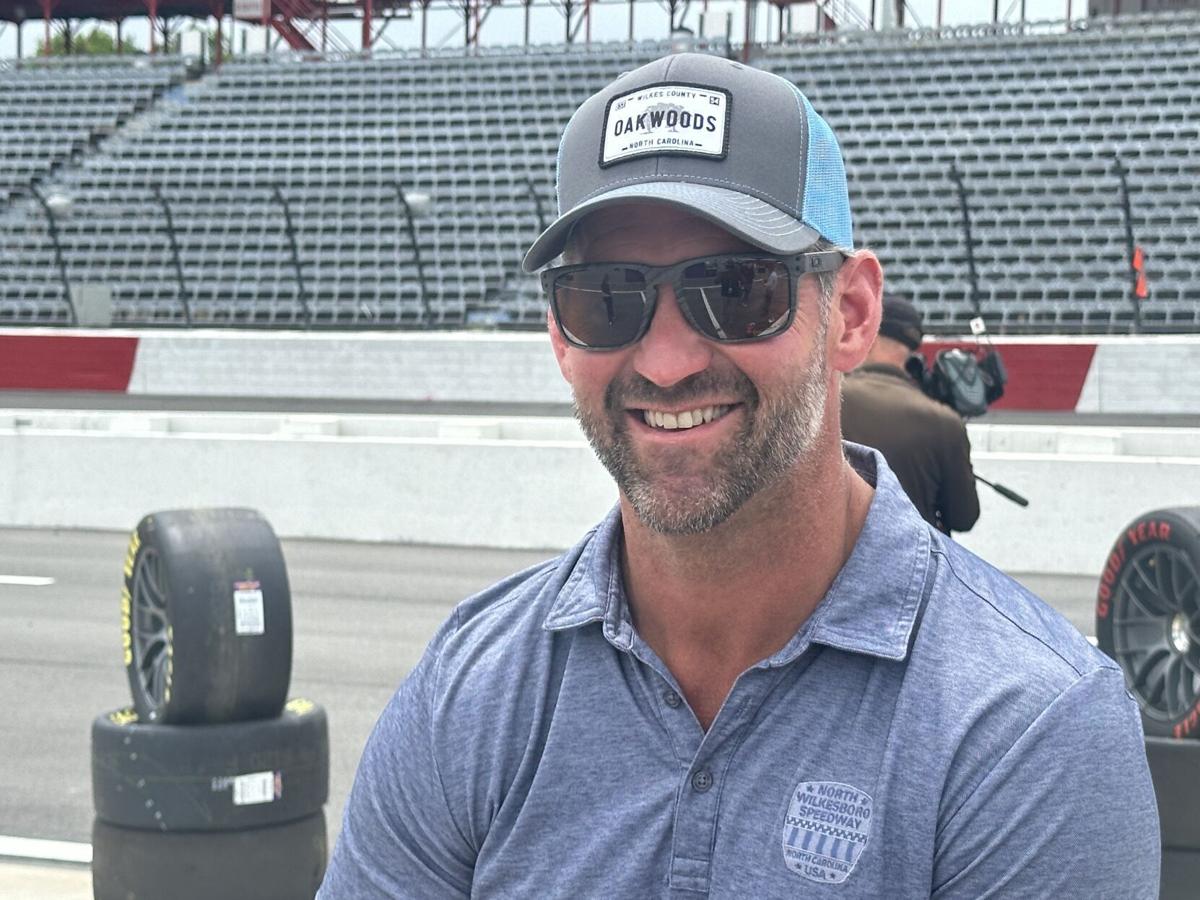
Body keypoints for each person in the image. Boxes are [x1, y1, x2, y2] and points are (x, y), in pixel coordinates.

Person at [319, 53, 1158, 898]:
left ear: (852, 315)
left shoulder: (1028, 726)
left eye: (737, 288)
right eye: (608, 297)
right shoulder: (468, 692)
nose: (669, 361)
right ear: (559, 337)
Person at [841, 295, 980, 534]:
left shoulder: (827, 400)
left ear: (867, 333)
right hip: (915, 563)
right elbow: (963, 517)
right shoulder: (945, 421)